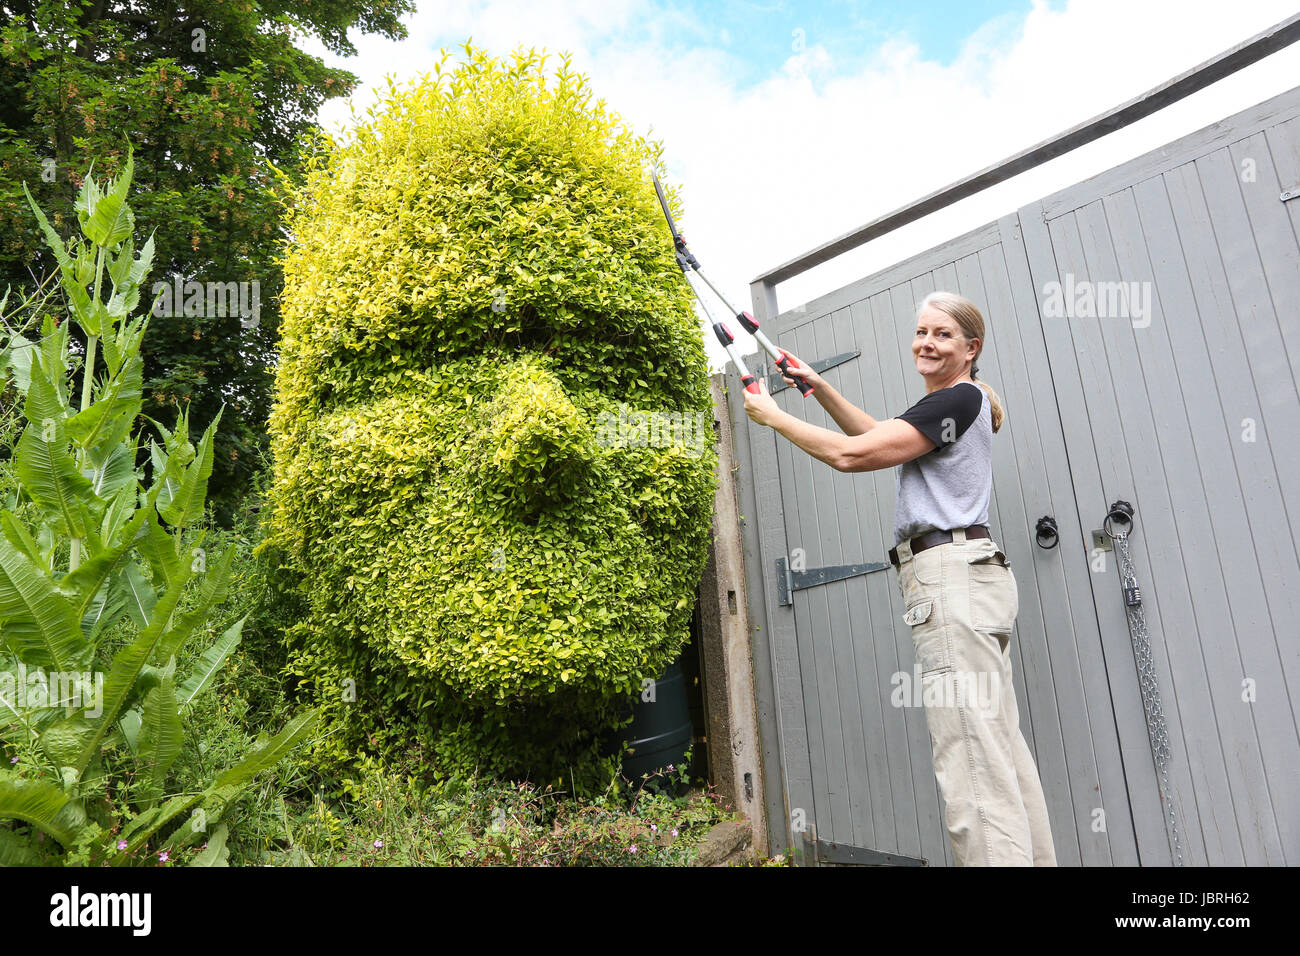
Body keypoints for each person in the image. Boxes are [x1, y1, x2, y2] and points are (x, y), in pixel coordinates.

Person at [743, 289, 1056, 867]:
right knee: (998, 750)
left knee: (970, 762)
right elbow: (874, 436)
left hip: (950, 581)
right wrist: (821, 387)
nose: (926, 343)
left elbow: (852, 457)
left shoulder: (958, 399)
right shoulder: (958, 404)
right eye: (921, 332)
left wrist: (775, 417)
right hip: (973, 579)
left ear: (971, 348)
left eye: (942, 334)